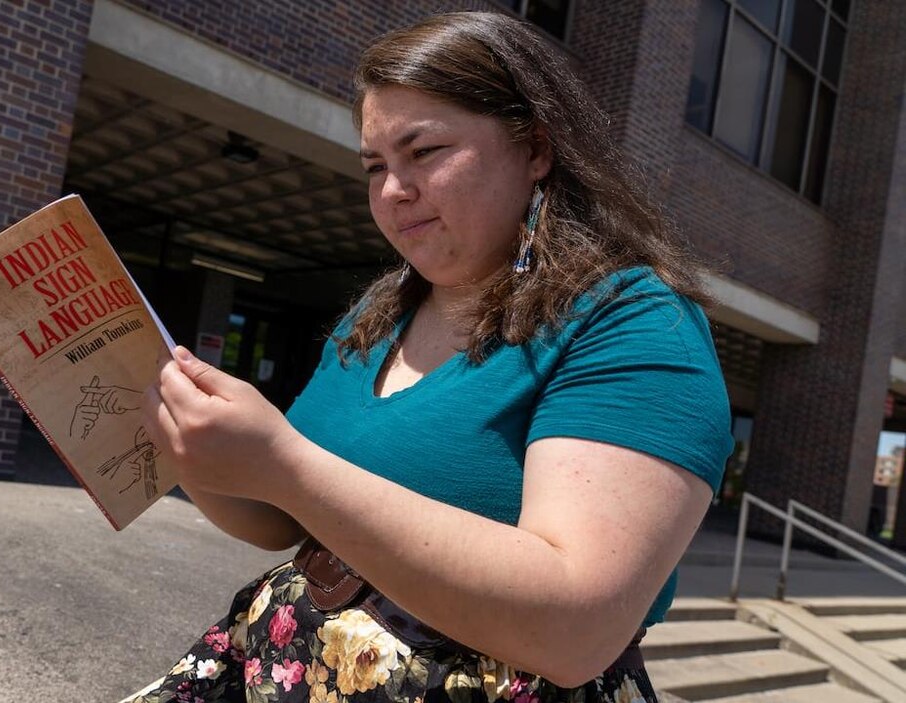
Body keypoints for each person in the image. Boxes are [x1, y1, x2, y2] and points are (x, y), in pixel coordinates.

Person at [132, 11, 732, 703]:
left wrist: (282, 464)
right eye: (375, 167)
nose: (393, 190)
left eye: (423, 153)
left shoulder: (632, 321)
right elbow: (283, 519)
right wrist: (187, 444)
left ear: (536, 148)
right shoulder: (377, 314)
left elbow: (575, 628)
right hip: (279, 664)